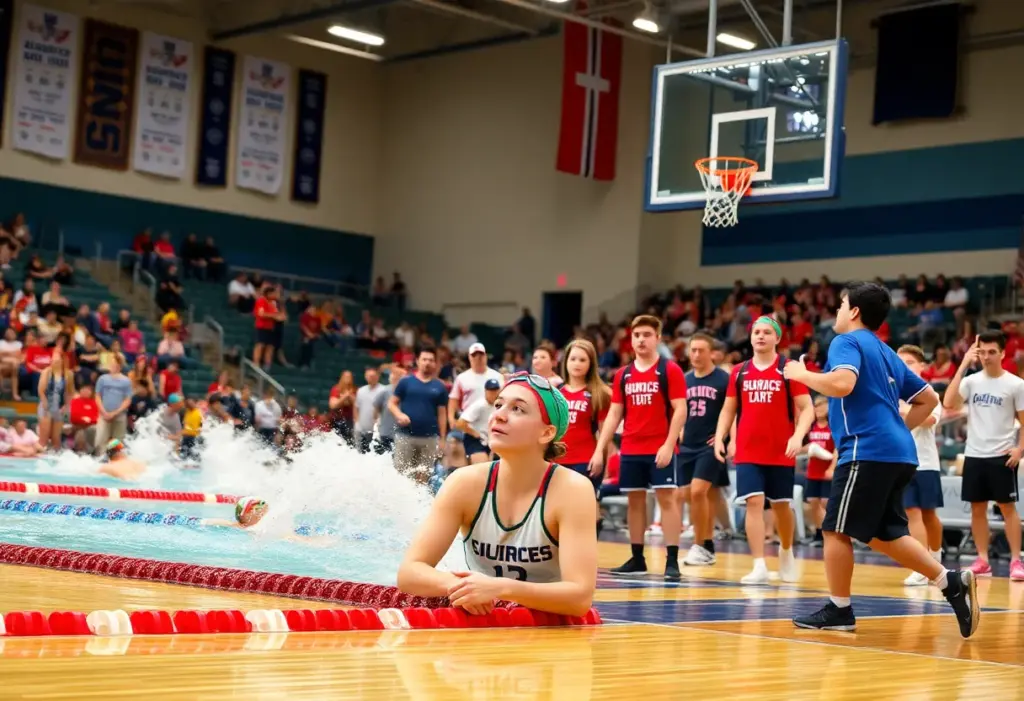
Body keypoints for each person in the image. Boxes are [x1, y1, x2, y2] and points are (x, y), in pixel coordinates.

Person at [786, 282, 978, 637]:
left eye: (842, 305)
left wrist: (802, 375)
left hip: (866, 450)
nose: (839, 311)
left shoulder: (847, 341)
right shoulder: (888, 352)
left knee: (834, 529)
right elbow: (928, 400)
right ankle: (949, 581)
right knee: (882, 533)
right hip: (898, 453)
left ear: (854, 311)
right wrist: (896, 429)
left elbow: (842, 384)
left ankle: (839, 610)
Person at [397, 372, 597, 616]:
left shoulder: (573, 490)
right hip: (483, 629)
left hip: (549, 636)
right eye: (499, 404)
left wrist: (499, 589)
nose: (499, 415)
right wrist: (459, 586)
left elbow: (579, 597)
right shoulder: (463, 483)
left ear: (546, 433)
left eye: (518, 409)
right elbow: (409, 572)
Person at [714, 316, 813, 584]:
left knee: (781, 506)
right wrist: (722, 437)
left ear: (777, 338)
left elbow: (807, 409)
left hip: (781, 449)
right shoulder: (739, 371)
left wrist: (798, 436)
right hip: (748, 449)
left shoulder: (788, 368)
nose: (760, 336)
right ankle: (758, 564)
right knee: (753, 503)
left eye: (767, 332)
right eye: (756, 331)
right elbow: (728, 409)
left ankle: (786, 551)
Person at [591, 315, 687, 579]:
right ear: (631, 340)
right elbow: (614, 414)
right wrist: (600, 448)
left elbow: (681, 409)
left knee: (667, 500)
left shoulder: (670, 370)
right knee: (635, 502)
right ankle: (636, 558)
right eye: (637, 335)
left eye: (647, 334)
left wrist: (669, 444)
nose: (641, 339)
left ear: (657, 338)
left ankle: (672, 560)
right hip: (632, 448)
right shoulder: (623, 374)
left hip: (661, 447)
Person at [942, 331, 1024, 581]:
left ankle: (1016, 561)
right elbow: (948, 402)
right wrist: (964, 363)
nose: (987, 357)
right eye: (983, 352)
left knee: (1007, 508)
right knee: (977, 509)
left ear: (1002, 353)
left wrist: (1020, 449)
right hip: (974, 454)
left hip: (1001, 454)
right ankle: (983, 560)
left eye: (992, 352)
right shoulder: (972, 381)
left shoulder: (1016, 385)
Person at [677, 333, 731, 566]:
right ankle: (707, 544)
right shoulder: (685, 380)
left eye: (701, 350)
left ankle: (699, 545)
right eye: (693, 350)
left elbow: (733, 412)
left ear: (712, 353)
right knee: (691, 495)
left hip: (710, 445)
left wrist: (727, 438)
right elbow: (678, 411)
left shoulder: (723, 379)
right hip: (687, 444)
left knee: (699, 492)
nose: (696, 354)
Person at [897, 344, 946, 585]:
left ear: (922, 366)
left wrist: (905, 409)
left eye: (909, 363)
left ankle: (935, 558)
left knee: (929, 515)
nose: (904, 367)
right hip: (901, 463)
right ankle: (923, 567)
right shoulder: (891, 394)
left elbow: (927, 421)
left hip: (926, 463)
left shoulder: (931, 395)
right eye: (900, 363)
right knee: (912, 513)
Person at [558, 339, 611, 496]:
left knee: (584, 509)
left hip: (585, 460)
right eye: (573, 359)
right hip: (557, 461)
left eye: (582, 360)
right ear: (565, 361)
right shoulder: (555, 393)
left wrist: (600, 455)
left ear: (591, 363)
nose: (577, 364)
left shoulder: (598, 393)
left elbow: (604, 432)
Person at [389, 348, 448, 482]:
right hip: (405, 436)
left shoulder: (439, 387)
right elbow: (391, 403)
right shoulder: (406, 382)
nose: (427, 363)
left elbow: (442, 414)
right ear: (418, 361)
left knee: (423, 478)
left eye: (431, 360)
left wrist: (443, 438)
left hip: (429, 439)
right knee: (401, 476)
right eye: (424, 359)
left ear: (435, 364)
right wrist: (399, 414)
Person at [448, 342, 503, 451]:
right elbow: (453, 399)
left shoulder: (497, 376)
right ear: (469, 357)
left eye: (481, 354)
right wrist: (451, 419)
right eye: (474, 355)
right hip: (470, 424)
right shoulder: (462, 378)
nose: (478, 358)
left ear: (485, 356)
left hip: (492, 424)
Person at [803, 395, 836, 547]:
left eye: (822, 405)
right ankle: (818, 533)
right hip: (813, 470)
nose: (819, 409)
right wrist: (810, 449)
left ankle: (830, 533)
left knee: (825, 502)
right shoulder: (810, 426)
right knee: (813, 502)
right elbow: (801, 447)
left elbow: (838, 448)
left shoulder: (833, 425)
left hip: (827, 471)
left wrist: (832, 467)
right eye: (816, 406)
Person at [455, 378, 502, 465]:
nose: (493, 393)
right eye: (491, 391)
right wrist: (474, 433)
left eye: (495, 390)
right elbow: (460, 423)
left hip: (489, 440)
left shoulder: (499, 406)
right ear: (486, 391)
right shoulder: (479, 405)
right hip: (475, 440)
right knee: (483, 467)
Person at [36, 349, 75, 451]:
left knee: (56, 439)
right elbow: (41, 390)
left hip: (59, 407)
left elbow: (69, 392)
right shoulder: (47, 372)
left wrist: (66, 406)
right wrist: (45, 403)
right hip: (46, 406)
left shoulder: (68, 374)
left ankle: (55, 460)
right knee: (44, 438)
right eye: (53, 359)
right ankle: (39, 458)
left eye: (57, 359)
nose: (54, 361)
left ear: (62, 360)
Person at [354, 367, 388, 453]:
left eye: (373, 376)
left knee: (376, 454)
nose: (371, 378)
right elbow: (356, 407)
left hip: (378, 430)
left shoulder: (384, 390)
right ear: (365, 377)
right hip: (362, 429)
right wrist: (357, 422)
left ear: (377, 376)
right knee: (361, 454)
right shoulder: (361, 390)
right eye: (368, 376)